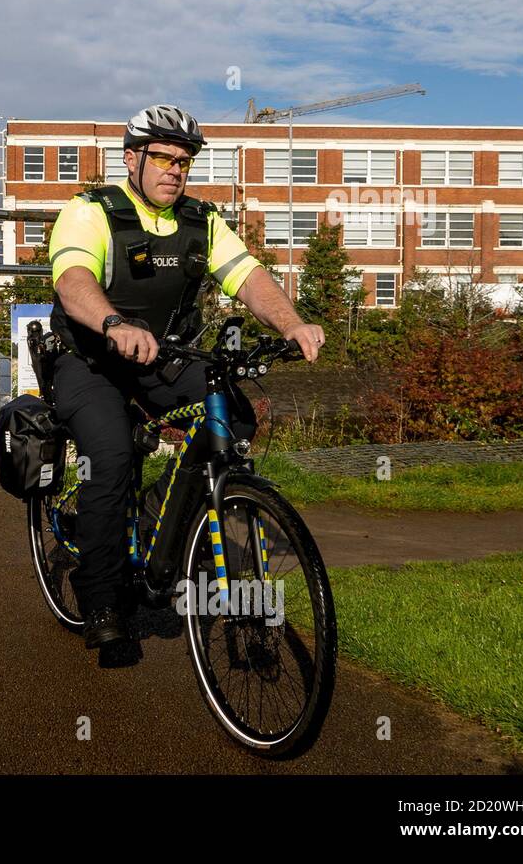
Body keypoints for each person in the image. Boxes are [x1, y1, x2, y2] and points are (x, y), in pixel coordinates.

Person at [48, 104, 325, 656]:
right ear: (132, 159)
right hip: (89, 357)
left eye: (184, 162)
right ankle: (101, 596)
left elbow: (248, 277)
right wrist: (113, 322)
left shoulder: (200, 221)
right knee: (111, 456)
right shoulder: (91, 211)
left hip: (163, 355)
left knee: (235, 418)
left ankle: (161, 518)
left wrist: (291, 322)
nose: (175, 170)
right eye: (164, 159)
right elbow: (73, 278)